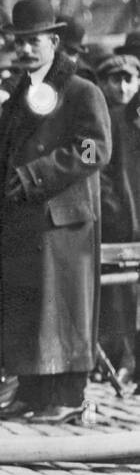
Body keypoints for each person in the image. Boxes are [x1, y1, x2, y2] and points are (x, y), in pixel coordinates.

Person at [0, 0, 111, 424]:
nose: (25, 50)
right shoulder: (20, 94)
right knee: (28, 307)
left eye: (34, 41)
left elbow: (95, 148)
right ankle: (31, 394)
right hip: (23, 218)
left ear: (54, 41)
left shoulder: (80, 90)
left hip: (63, 221)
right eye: (19, 42)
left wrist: (39, 173)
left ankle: (68, 397)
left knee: (64, 311)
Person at [95, 54, 140, 387]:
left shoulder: (135, 119)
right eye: (116, 80)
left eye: (129, 80)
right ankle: (116, 357)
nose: (123, 87)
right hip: (114, 217)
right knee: (113, 294)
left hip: (134, 213)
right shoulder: (101, 118)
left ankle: (130, 359)